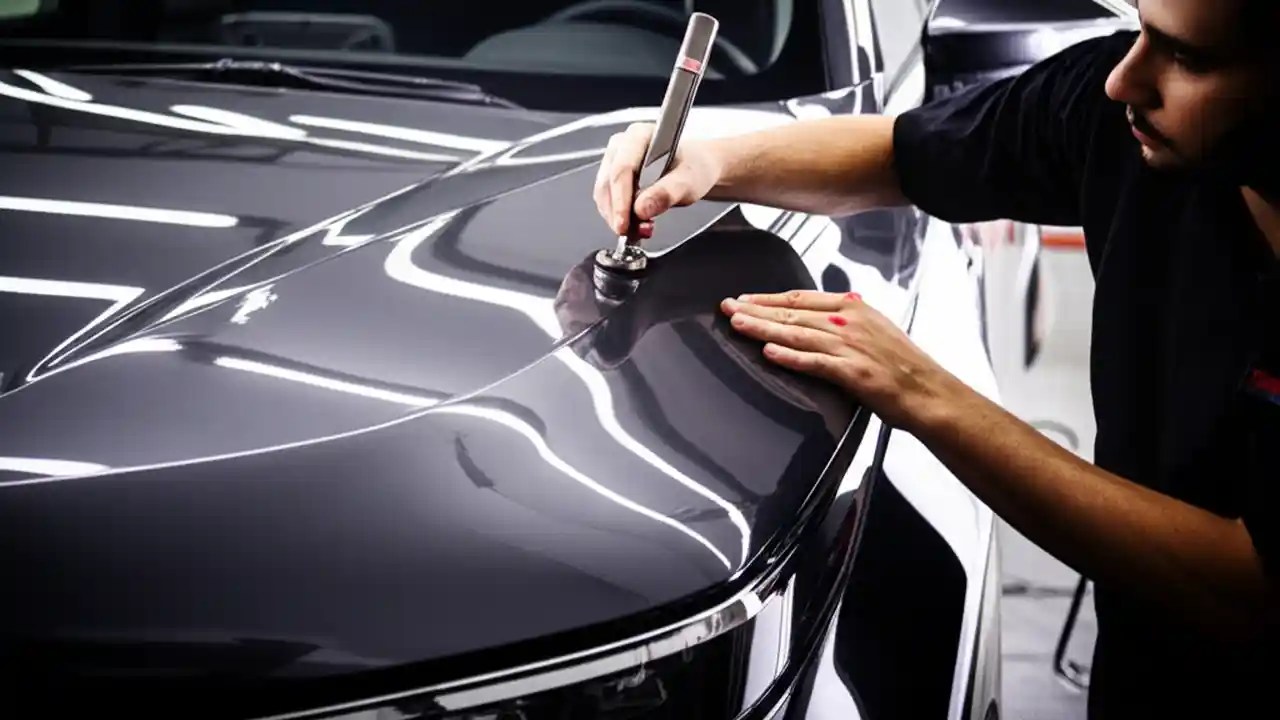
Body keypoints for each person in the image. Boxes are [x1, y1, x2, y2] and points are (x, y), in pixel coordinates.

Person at [594, 0, 1277, 717]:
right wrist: (715, 159)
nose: (1124, 79)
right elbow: (902, 153)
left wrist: (923, 391)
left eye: (1188, 58)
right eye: (1141, 28)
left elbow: (1250, 592)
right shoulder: (1116, 110)